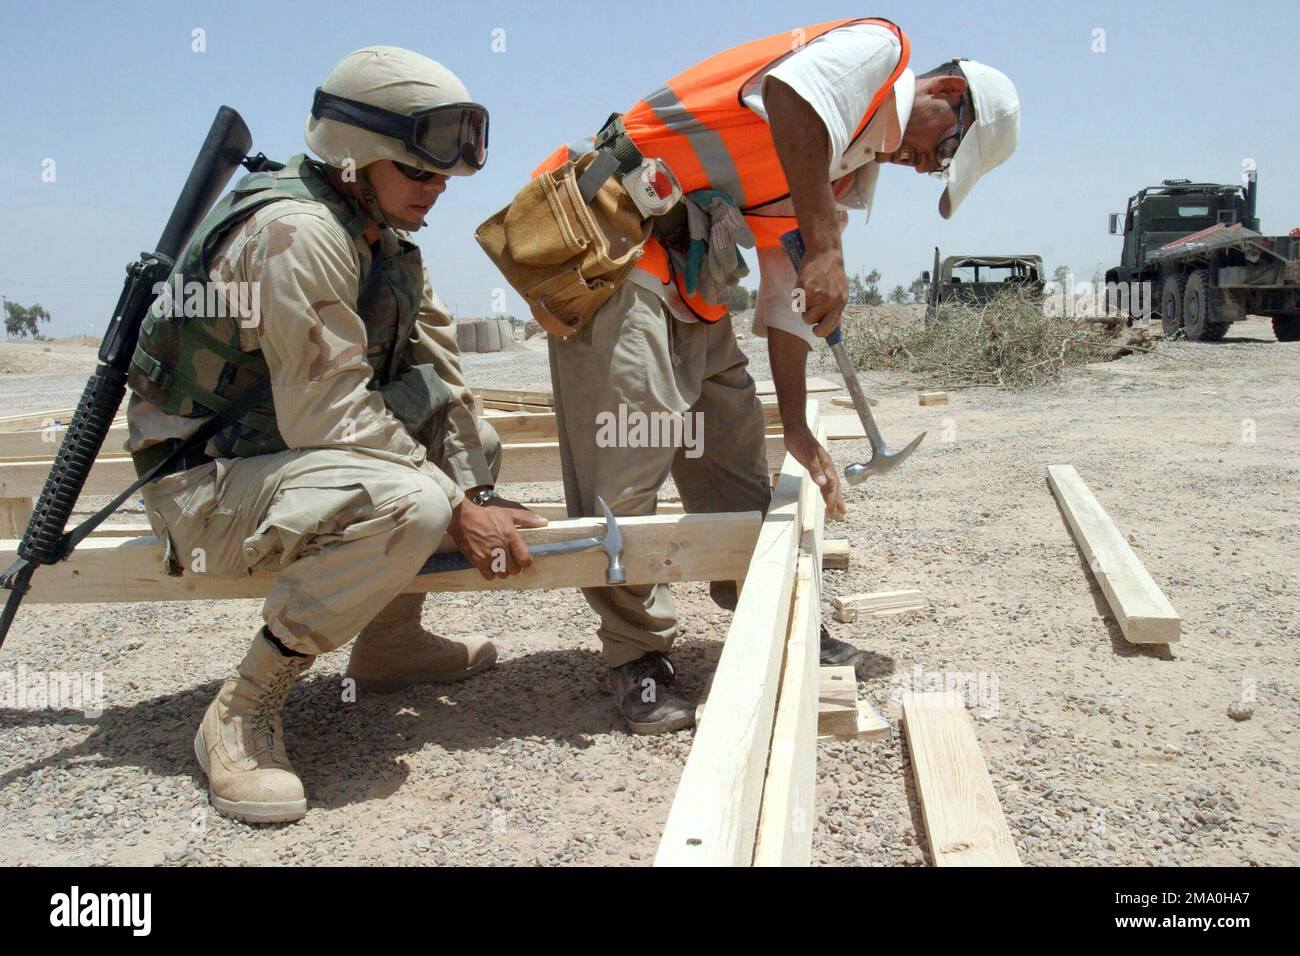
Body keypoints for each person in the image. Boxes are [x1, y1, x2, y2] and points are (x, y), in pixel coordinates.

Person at [530, 19, 1019, 733]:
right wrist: (825, 245)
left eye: (944, 167)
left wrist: (794, 425)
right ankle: (637, 658)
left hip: (689, 276)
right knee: (626, 461)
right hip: (612, 247)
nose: (928, 166)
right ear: (946, 93)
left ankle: (766, 611)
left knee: (729, 446)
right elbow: (792, 94)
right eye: (947, 148)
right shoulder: (878, 51)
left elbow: (790, 293)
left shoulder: (845, 171)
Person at [125, 46, 544, 823]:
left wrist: (477, 488)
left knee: (469, 441)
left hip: (273, 458)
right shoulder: (298, 235)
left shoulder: (384, 237)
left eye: (445, 175)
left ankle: (390, 646)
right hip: (203, 482)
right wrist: (456, 508)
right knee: (409, 504)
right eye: (420, 172)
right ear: (358, 161)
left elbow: (440, 379)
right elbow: (331, 415)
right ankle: (241, 713)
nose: (438, 189)